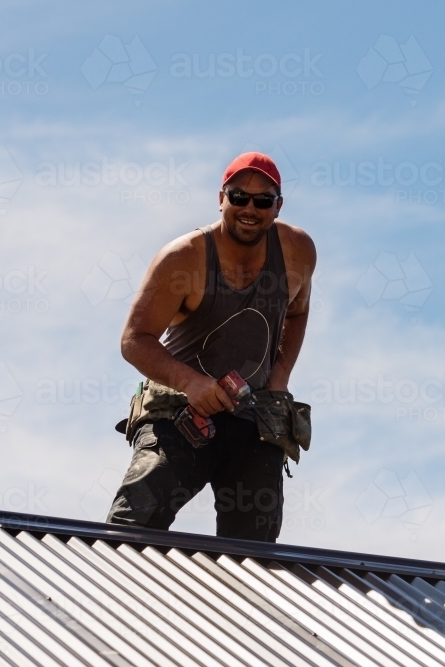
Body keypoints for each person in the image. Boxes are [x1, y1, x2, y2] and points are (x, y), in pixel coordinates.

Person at [106, 152, 316, 542]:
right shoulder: (184, 259)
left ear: (278, 206)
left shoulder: (296, 251)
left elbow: (298, 313)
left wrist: (280, 378)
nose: (249, 209)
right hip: (180, 416)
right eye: (238, 198)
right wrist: (190, 383)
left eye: (262, 201)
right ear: (221, 198)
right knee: (134, 528)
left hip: (254, 420)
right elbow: (134, 340)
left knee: (254, 553)